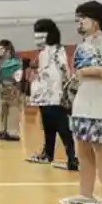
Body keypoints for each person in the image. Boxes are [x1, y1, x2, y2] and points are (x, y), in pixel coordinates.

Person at [60, 1, 102, 204]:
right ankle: (86, 194)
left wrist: (89, 71)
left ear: (96, 20)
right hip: (82, 104)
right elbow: (78, 73)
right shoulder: (82, 46)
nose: (79, 23)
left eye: (83, 18)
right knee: (83, 152)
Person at [27, 19, 77, 170]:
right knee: (48, 125)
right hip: (44, 94)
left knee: (62, 126)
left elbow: (64, 70)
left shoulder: (57, 50)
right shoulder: (44, 52)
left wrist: (66, 90)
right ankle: (48, 153)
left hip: (56, 94)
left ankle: (72, 158)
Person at [0, 40, 23, 141]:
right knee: (2, 111)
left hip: (11, 87)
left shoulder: (15, 63)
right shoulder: (0, 63)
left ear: (8, 50)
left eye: (1, 48)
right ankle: (2, 131)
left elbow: (18, 78)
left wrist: (17, 89)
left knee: (13, 110)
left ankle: (12, 133)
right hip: (2, 87)